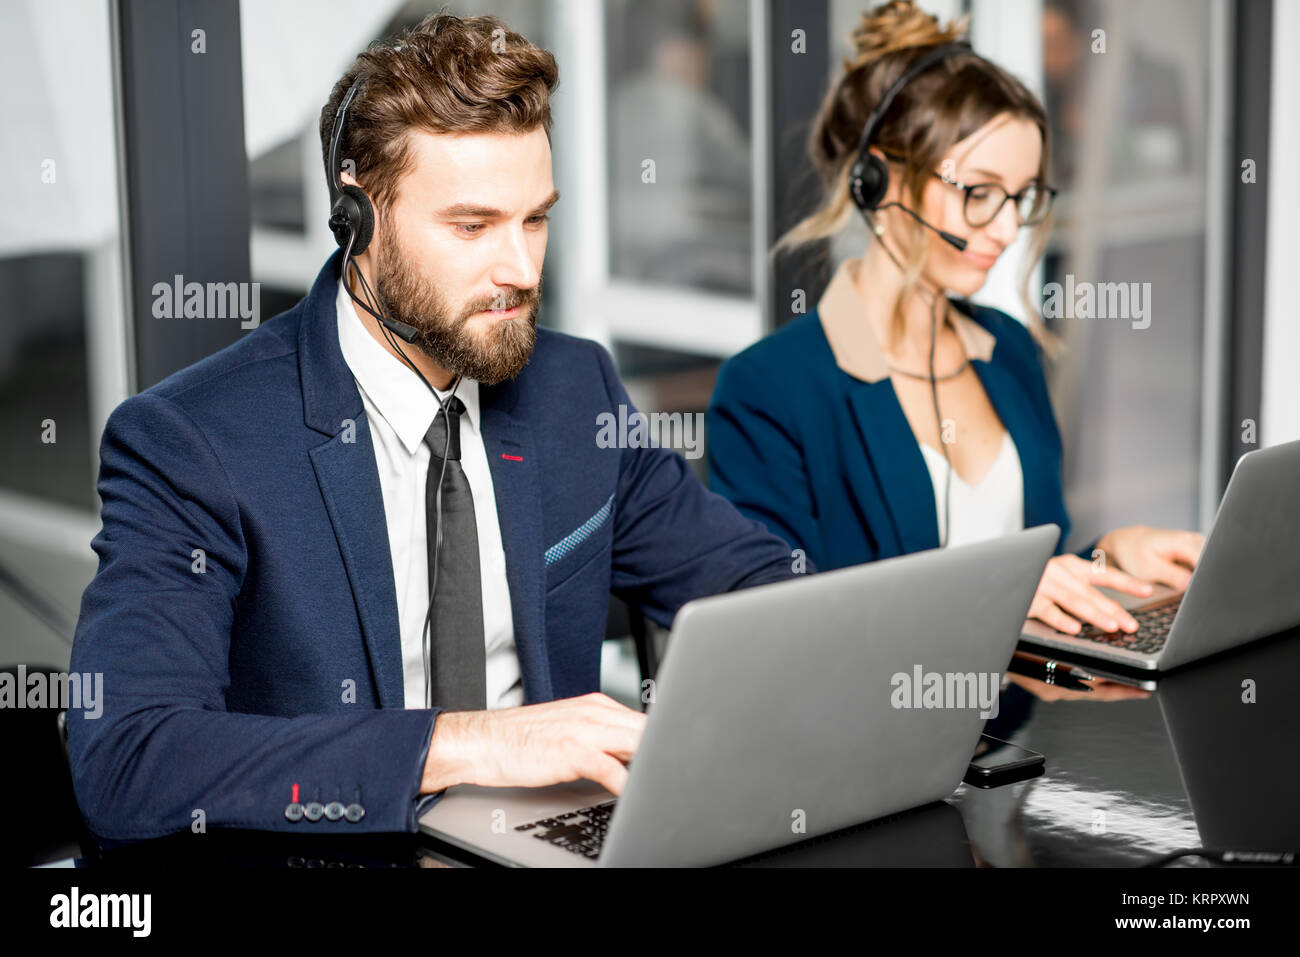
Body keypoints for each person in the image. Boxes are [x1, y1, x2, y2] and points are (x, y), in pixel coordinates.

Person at [67, 13, 800, 844]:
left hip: (559, 844)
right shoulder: (192, 442)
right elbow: (126, 757)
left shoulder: (572, 391)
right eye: (472, 226)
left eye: (535, 219)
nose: (520, 270)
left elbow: (754, 588)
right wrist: (466, 743)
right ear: (360, 221)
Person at [707, 1, 1203, 639]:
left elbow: (1031, 582)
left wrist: (1107, 559)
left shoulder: (1009, 350)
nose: (1004, 229)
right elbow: (781, 630)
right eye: (978, 193)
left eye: (1021, 196)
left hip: (1019, 723)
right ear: (878, 182)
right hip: (879, 735)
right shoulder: (771, 388)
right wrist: (996, 597)